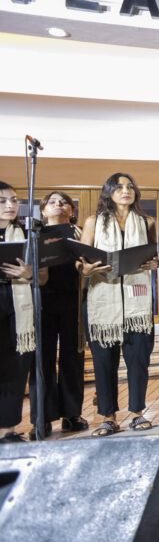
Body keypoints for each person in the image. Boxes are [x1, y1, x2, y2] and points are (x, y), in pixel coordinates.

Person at [79, 173, 158, 436]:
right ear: (109, 192)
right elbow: (80, 260)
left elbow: (152, 256)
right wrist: (86, 268)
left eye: (130, 187)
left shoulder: (147, 222)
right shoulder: (94, 221)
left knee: (138, 361)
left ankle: (137, 413)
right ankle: (108, 417)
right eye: (120, 187)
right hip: (103, 299)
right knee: (104, 362)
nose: (126, 191)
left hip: (137, 301)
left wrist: (154, 263)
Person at [30, 191, 87, 438]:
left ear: (72, 211)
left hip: (73, 300)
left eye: (64, 202)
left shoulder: (81, 233)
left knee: (72, 358)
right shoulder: (35, 234)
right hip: (42, 301)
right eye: (52, 202)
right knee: (41, 361)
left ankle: (71, 414)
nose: (58, 205)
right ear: (43, 210)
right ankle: (41, 418)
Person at [0, 182, 44, 442]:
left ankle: (8, 430)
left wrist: (29, 273)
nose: (10, 205)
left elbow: (42, 274)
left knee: (16, 368)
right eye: (3, 200)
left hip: (17, 302)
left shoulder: (27, 234)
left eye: (14, 200)